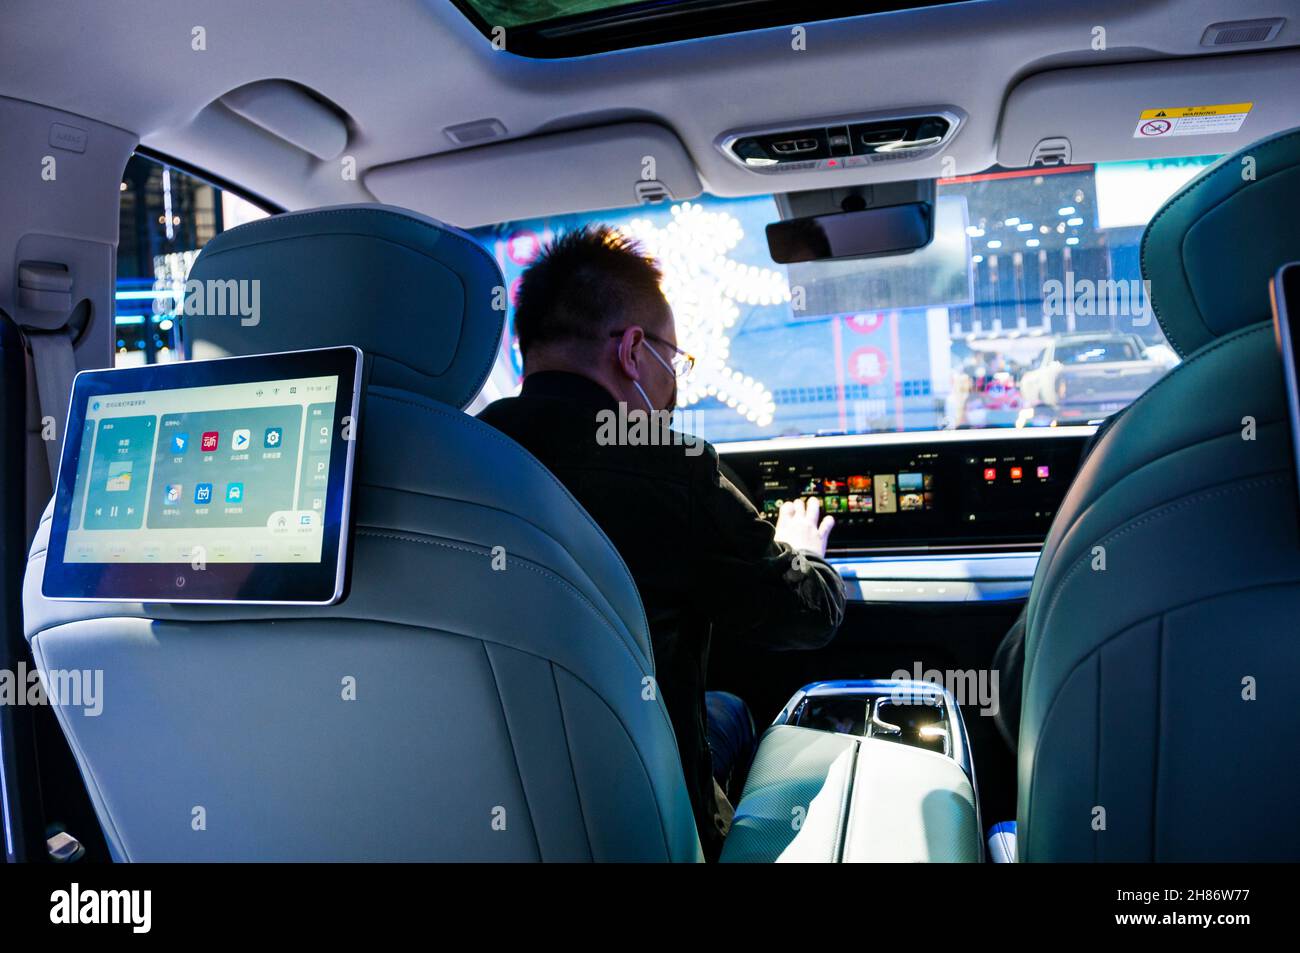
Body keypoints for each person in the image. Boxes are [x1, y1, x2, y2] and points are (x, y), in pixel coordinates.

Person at [478, 225, 846, 859]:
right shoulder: (669, 468)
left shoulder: (456, 458)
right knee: (735, 714)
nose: (675, 382)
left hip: (497, 793)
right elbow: (808, 617)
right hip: (639, 810)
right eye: (673, 359)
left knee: (723, 704)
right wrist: (803, 553)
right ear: (631, 352)